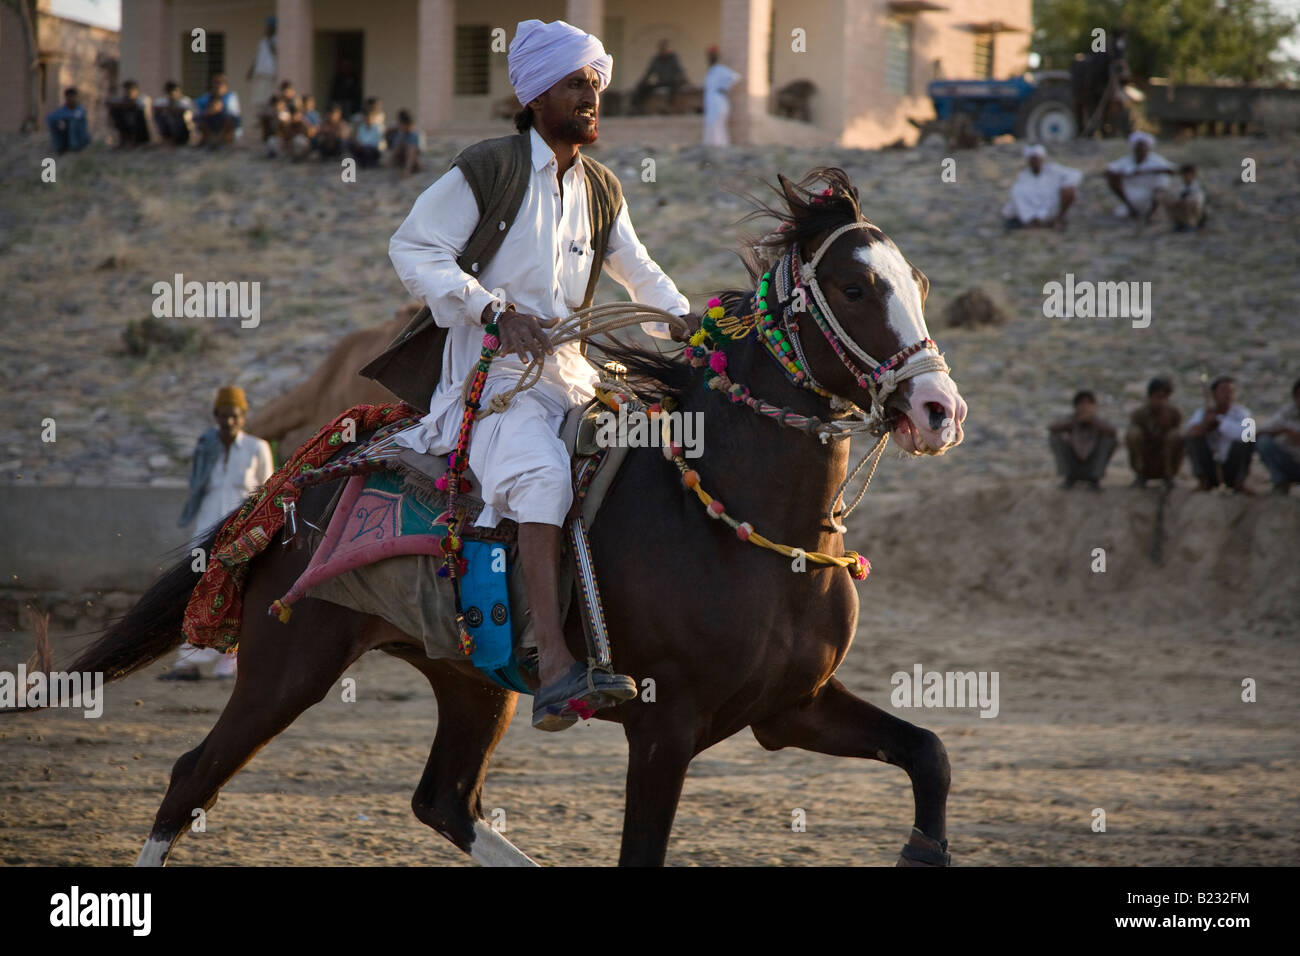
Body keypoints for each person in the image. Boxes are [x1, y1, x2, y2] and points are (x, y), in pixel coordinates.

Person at [386, 18, 700, 730]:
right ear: (534, 97)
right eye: (574, 84)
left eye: (595, 82)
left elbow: (640, 274)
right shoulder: (489, 169)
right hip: (495, 385)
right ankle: (554, 664)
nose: (591, 96)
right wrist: (492, 312)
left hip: (576, 375)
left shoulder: (601, 188)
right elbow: (414, 248)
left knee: (660, 453)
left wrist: (687, 322)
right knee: (544, 478)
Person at [166, 386, 274, 680]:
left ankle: (230, 660)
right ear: (216, 416)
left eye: (234, 416)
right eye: (223, 416)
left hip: (240, 535)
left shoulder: (257, 448)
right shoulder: (205, 448)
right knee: (198, 594)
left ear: (243, 417)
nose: (228, 422)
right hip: (204, 533)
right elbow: (197, 490)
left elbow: (266, 496)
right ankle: (189, 661)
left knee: (237, 594)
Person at [1185, 376, 1254, 493]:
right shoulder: (1202, 413)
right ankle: (1204, 481)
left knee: (1247, 442)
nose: (1227, 395)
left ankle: (1239, 482)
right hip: (1211, 465)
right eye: (1223, 391)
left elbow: (1248, 435)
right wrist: (1205, 426)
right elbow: (1191, 433)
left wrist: (1219, 423)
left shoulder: (1243, 413)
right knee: (1193, 440)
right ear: (1214, 394)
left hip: (1232, 465)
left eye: (1231, 391)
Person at [1048, 390, 1118, 490]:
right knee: (1055, 438)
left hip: (1093, 465)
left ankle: (1095, 478)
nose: (1085, 407)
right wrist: (1074, 423)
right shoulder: (1071, 420)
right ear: (1076, 406)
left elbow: (1113, 431)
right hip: (1073, 464)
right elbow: (1052, 427)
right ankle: (1069, 477)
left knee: (1109, 439)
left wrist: (1093, 423)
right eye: (1081, 403)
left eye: (1088, 403)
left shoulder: (1098, 422)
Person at [1001, 144, 1082, 229]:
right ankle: (1034, 223)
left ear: (1042, 158)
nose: (1036, 162)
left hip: (1052, 206)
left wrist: (1065, 185)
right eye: (1033, 160)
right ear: (1029, 161)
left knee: (1069, 190)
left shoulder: (1053, 169)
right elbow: (1018, 197)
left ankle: (1058, 220)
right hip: (1033, 211)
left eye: (1037, 159)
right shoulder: (1024, 177)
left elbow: (1076, 174)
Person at [1125, 377, 1183, 488]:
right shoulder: (1139, 415)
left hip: (1165, 461)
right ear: (1150, 397)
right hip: (1147, 460)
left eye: (1165, 398)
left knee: (1176, 435)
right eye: (1159, 397)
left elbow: (1178, 440)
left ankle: (1169, 476)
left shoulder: (1174, 414)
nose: (1162, 402)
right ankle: (1140, 474)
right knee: (1133, 433)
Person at [1105, 130, 1176, 220]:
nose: (1141, 149)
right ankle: (1131, 208)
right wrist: (1128, 174)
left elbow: (1171, 170)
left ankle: (1152, 212)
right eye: (1139, 147)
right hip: (1131, 196)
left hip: (1149, 196)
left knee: (1162, 181)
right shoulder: (1127, 160)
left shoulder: (1156, 160)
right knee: (1113, 180)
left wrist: (1143, 171)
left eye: (1143, 146)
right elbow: (1109, 170)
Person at [1257, 378, 1300, 494]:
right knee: (1263, 442)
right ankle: (1280, 482)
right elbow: (1259, 433)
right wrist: (1284, 431)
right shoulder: (1288, 412)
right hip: (1291, 463)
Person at [630, 38, 687, 114]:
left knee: (676, 86)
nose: (663, 50)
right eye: (662, 48)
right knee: (644, 87)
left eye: (665, 48)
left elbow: (680, 72)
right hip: (661, 82)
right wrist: (640, 84)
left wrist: (680, 79)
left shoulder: (673, 58)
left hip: (672, 82)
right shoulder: (656, 59)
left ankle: (670, 107)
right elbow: (648, 73)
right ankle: (636, 107)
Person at [702, 46, 741, 147]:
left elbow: (735, 77)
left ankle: (719, 147)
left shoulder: (719, 69)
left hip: (719, 101)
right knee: (712, 125)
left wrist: (725, 87)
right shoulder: (711, 71)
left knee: (717, 125)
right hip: (712, 102)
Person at [194, 73, 241, 146]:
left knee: (229, 119)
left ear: (225, 85)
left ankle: (225, 142)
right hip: (211, 120)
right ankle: (209, 140)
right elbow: (196, 106)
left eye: (219, 83)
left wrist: (218, 109)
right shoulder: (208, 96)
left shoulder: (231, 96)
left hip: (224, 121)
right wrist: (210, 111)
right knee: (199, 118)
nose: (216, 85)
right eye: (215, 83)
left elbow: (233, 113)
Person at [1162, 163, 1207, 232]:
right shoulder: (1179, 185)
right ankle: (1179, 223)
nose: (1187, 176)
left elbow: (1199, 200)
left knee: (1190, 204)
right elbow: (1173, 195)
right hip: (1181, 209)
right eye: (1185, 174)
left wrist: (1186, 201)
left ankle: (1192, 224)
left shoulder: (1198, 186)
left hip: (1193, 209)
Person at [107, 79, 151, 147]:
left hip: (141, 129)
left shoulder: (143, 98)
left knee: (138, 113)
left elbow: (136, 105)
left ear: (136, 90)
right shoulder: (122, 99)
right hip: (128, 125)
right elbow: (109, 103)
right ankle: (124, 140)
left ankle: (135, 141)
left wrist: (125, 104)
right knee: (116, 112)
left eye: (130, 90)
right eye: (126, 90)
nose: (127, 92)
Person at [247, 16, 278, 109]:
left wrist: (270, 41)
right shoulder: (263, 40)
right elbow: (257, 56)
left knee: (268, 99)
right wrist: (251, 70)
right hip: (259, 73)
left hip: (270, 74)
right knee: (259, 100)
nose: (267, 28)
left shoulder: (276, 39)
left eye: (269, 26)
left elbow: (276, 53)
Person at [46, 87, 90, 154]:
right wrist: (59, 121)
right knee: (56, 122)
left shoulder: (81, 109)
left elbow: (76, 116)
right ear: (66, 98)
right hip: (65, 137)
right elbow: (50, 117)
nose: (72, 99)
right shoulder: (62, 110)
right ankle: (60, 147)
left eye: (73, 97)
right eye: (69, 97)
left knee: (72, 122)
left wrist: (64, 120)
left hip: (80, 139)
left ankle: (75, 147)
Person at [153, 81, 194, 145]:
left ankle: (177, 139)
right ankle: (166, 138)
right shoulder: (163, 100)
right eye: (170, 91)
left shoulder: (185, 100)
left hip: (184, 129)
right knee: (160, 116)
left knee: (175, 117)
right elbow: (156, 108)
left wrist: (168, 109)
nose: (173, 93)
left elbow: (181, 111)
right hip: (168, 127)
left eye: (175, 91)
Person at [349, 100, 385, 167]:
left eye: (370, 118)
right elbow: (360, 139)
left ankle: (370, 162)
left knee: (367, 150)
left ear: (373, 118)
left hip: (373, 149)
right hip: (364, 148)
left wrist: (364, 145)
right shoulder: (362, 127)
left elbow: (376, 142)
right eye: (367, 118)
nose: (368, 119)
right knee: (353, 145)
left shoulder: (377, 128)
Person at [390, 109, 421, 175]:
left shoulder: (414, 134)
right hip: (402, 159)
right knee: (399, 145)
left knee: (411, 149)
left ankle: (407, 170)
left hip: (413, 160)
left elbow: (416, 151)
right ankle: (393, 165)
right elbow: (395, 149)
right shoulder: (400, 134)